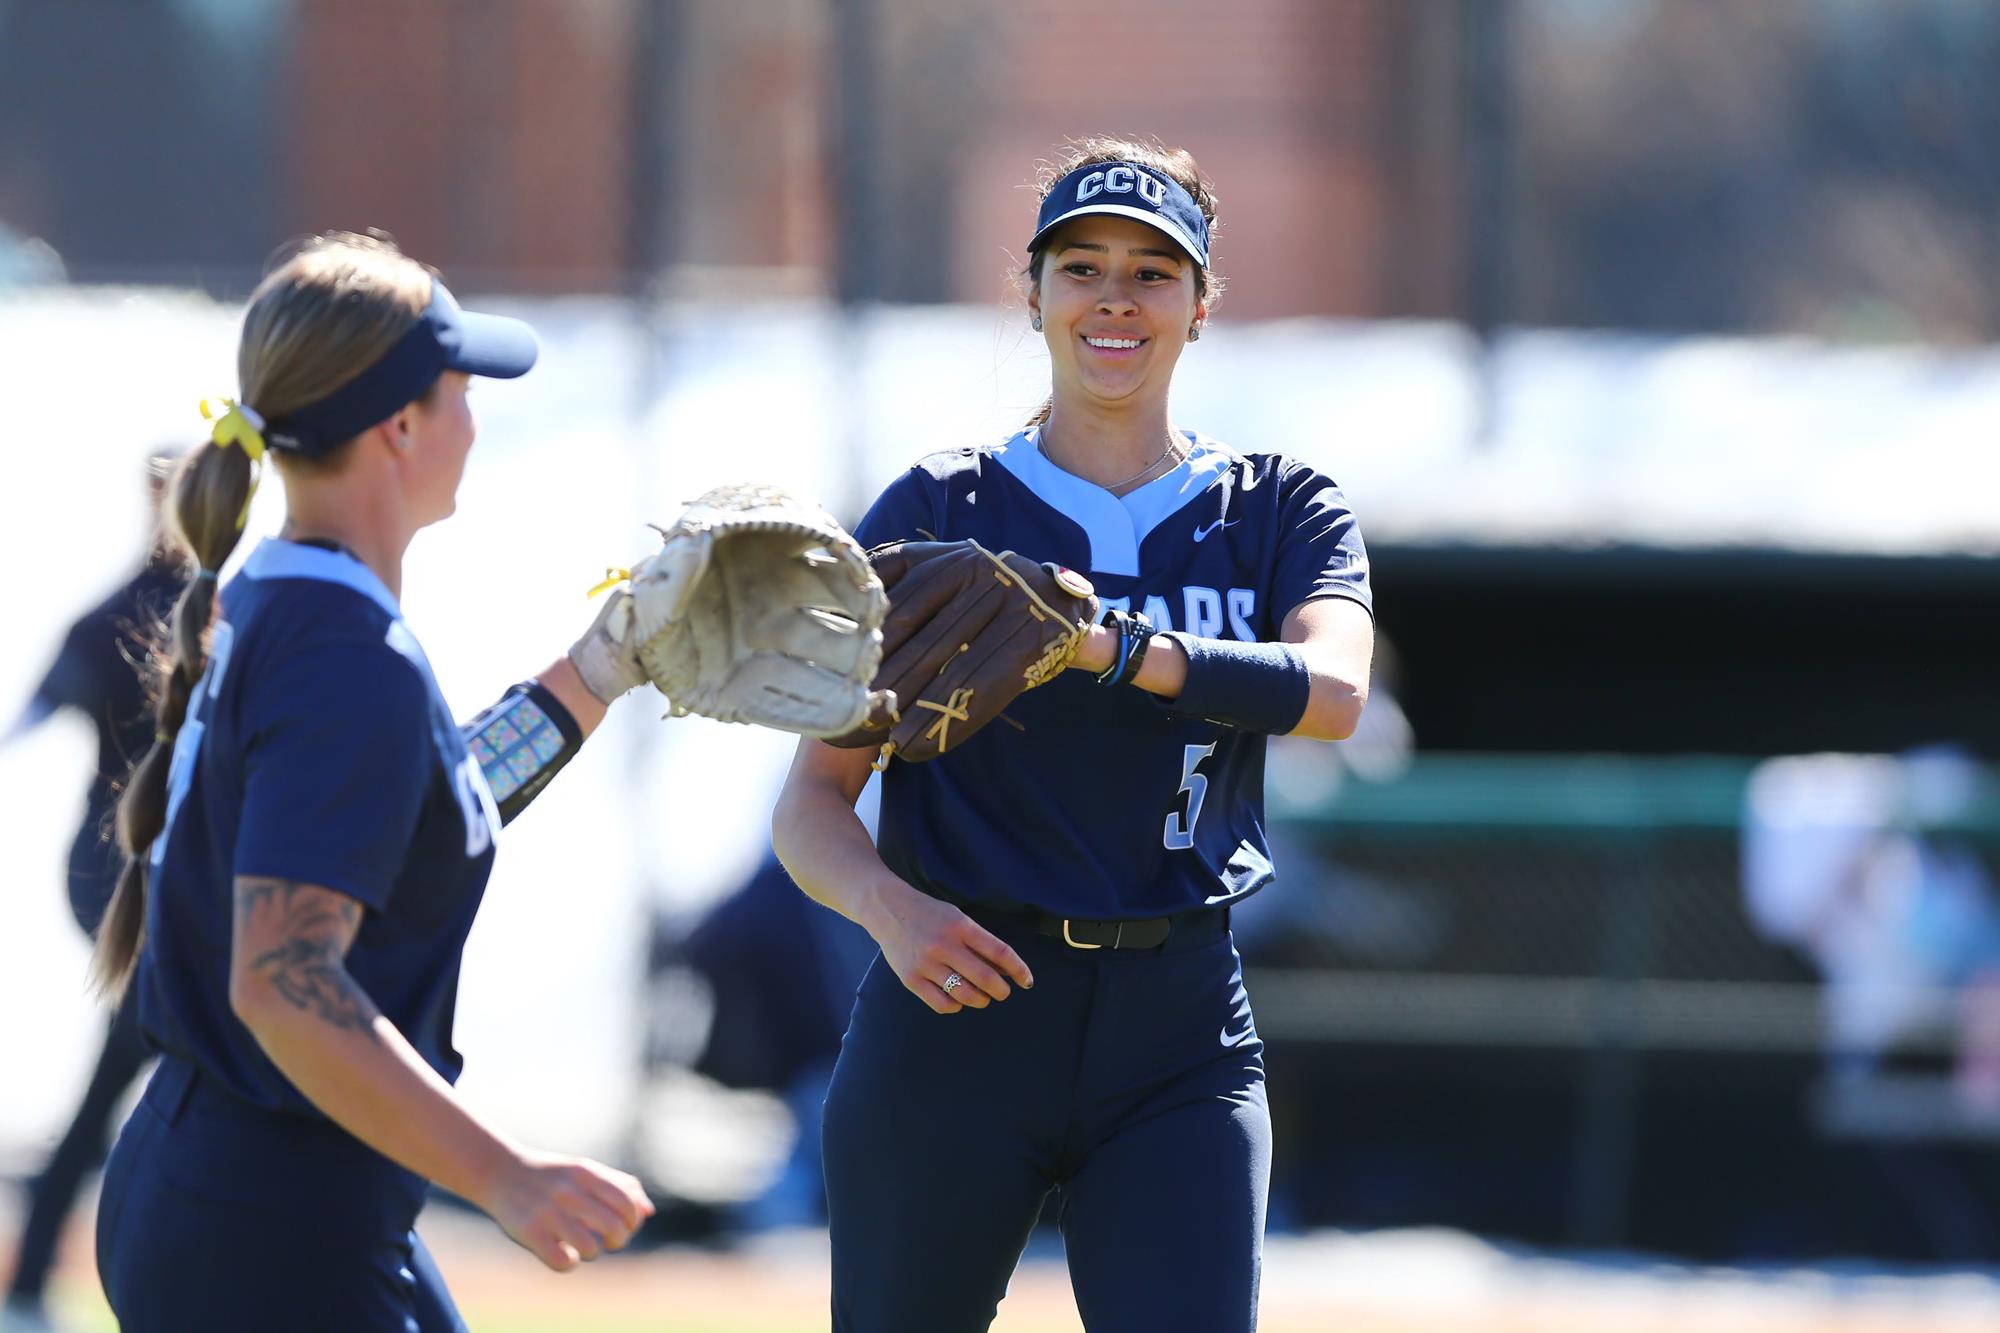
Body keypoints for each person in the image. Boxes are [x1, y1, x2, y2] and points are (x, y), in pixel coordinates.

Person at [773, 138, 1376, 1332]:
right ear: (1033, 293)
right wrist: (890, 912)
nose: (1114, 297)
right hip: (956, 1013)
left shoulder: (1277, 508)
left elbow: (1333, 694)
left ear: (1200, 307)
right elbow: (809, 804)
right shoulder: (939, 509)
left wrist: (1108, 646)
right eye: (1081, 266)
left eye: (1154, 272)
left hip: (1179, 1024)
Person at [89, 231, 665, 1333]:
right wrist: (504, 1174)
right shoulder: (343, 651)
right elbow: (280, 976)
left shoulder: (282, 592)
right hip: (268, 1221)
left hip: (245, 1184)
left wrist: (599, 668)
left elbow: (420, 804)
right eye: (459, 391)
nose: (474, 420)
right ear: (399, 424)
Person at [2, 453, 184, 1332]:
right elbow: (27, 719)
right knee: (167, 1067)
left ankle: (34, 1287)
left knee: (135, 1074)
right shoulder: (120, 615)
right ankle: (35, 1289)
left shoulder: (247, 610)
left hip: (185, 890)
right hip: (120, 885)